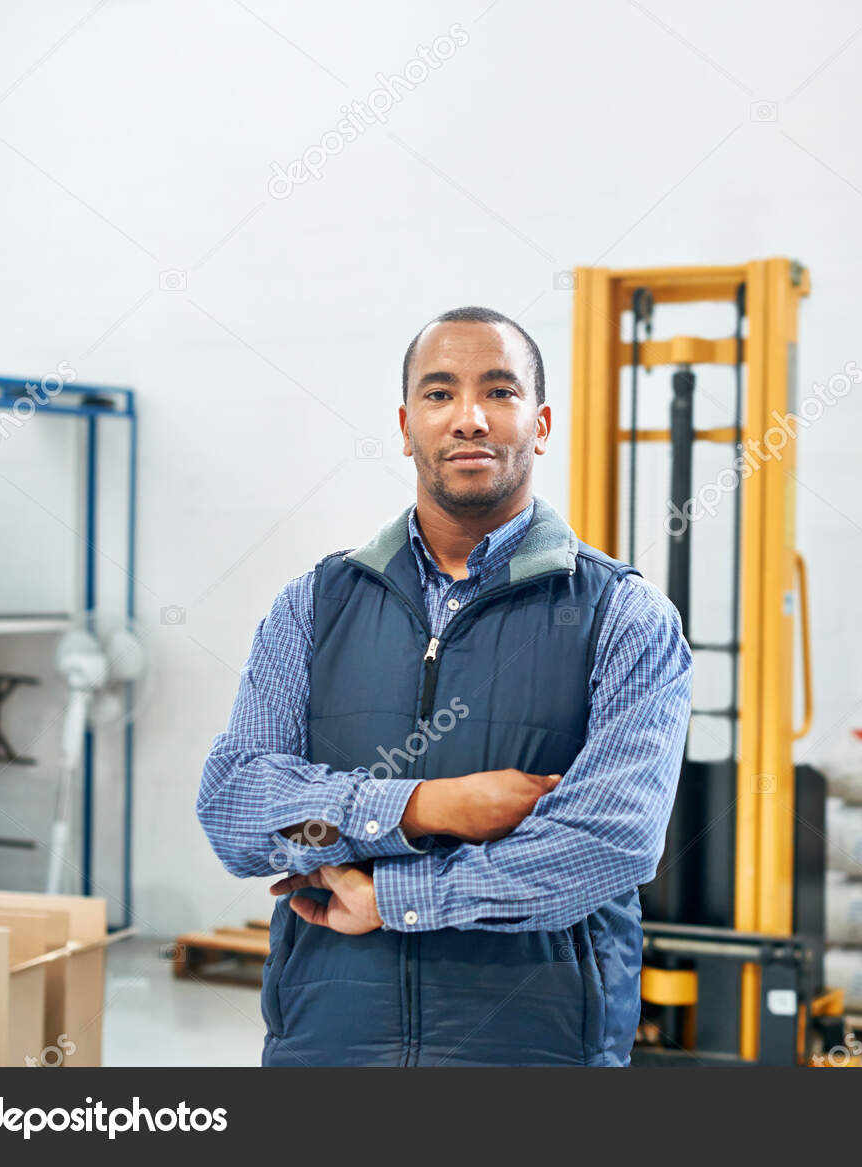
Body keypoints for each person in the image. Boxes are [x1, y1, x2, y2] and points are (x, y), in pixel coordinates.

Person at [196, 306, 692, 1066]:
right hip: (329, 1050)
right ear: (405, 426)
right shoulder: (314, 605)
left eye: (499, 392)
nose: (469, 418)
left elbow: (604, 844)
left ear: (542, 422)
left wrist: (390, 899)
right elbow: (238, 811)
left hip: (533, 1056)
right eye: (439, 394)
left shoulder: (623, 618)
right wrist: (425, 807)